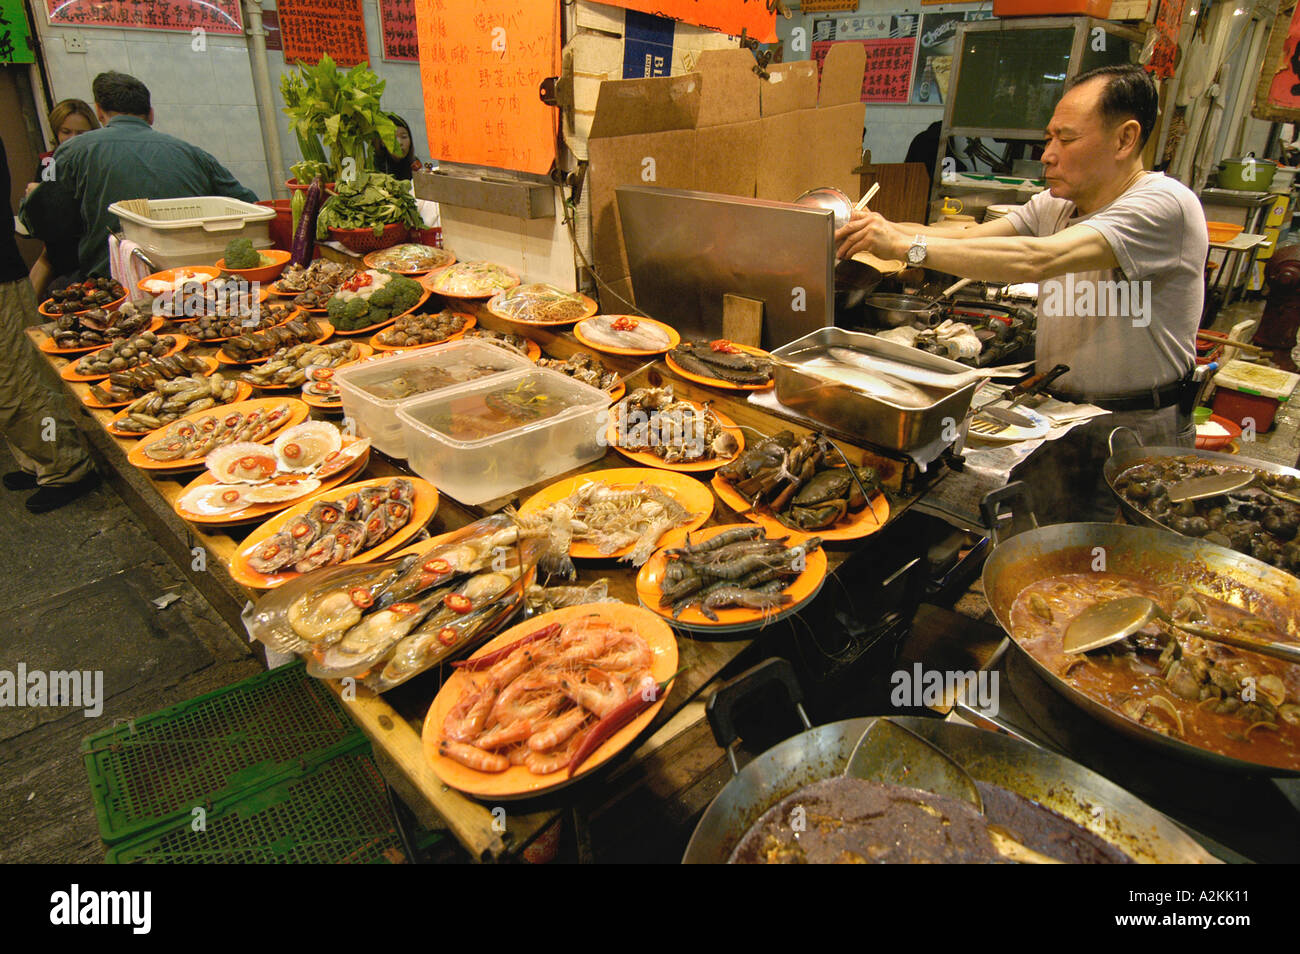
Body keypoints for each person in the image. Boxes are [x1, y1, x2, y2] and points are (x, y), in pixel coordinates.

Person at [836, 64, 1208, 523]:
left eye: (1065, 140)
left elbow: (1039, 258)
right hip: (1064, 417)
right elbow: (971, 239)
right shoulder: (1057, 203)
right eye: (1049, 138)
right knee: (1047, 556)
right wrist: (876, 229)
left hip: (1136, 429)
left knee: (1119, 569)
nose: (1048, 154)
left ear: (1125, 139)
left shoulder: (1163, 206)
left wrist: (905, 248)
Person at [21, 71, 258, 280]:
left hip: (113, 286)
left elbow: (41, 224)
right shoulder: (193, 153)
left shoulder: (71, 152)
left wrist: (33, 196)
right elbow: (251, 206)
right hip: (198, 280)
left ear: (100, 113)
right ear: (151, 114)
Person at [1, 138, 98, 513]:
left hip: (4, 278)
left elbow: (45, 222)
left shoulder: (62, 163)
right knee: (13, 382)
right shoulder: (52, 161)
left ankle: (66, 467)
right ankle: (39, 461)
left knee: (17, 382)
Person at [26, 99, 99, 300]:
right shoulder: (49, 162)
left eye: (80, 133)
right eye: (66, 132)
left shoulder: (98, 161)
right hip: (60, 246)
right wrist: (37, 195)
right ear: (56, 133)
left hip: (91, 245)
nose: (72, 139)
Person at [374, 114, 421, 180]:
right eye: (393, 138)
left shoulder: (414, 163)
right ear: (382, 142)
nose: (400, 143)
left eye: (404, 137)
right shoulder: (374, 166)